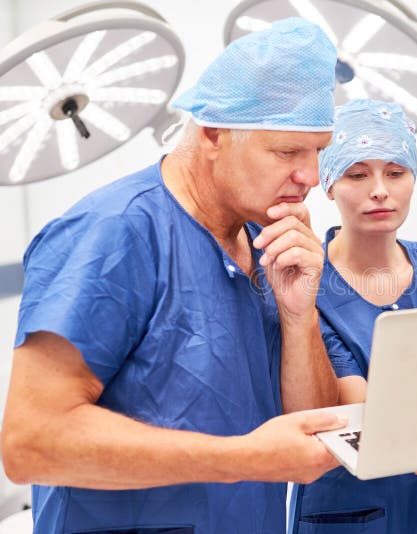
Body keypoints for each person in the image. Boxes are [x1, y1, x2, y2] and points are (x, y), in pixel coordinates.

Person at [1, 18, 347, 534]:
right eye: (287, 152)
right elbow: (31, 443)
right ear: (212, 134)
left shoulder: (267, 243)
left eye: (318, 151)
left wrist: (300, 317)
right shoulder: (114, 232)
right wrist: (245, 459)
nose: (311, 178)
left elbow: (313, 432)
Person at [288, 99, 417, 533]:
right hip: (348, 515)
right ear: (328, 184)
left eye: (395, 172)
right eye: (357, 174)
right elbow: (358, 415)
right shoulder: (307, 285)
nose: (379, 190)